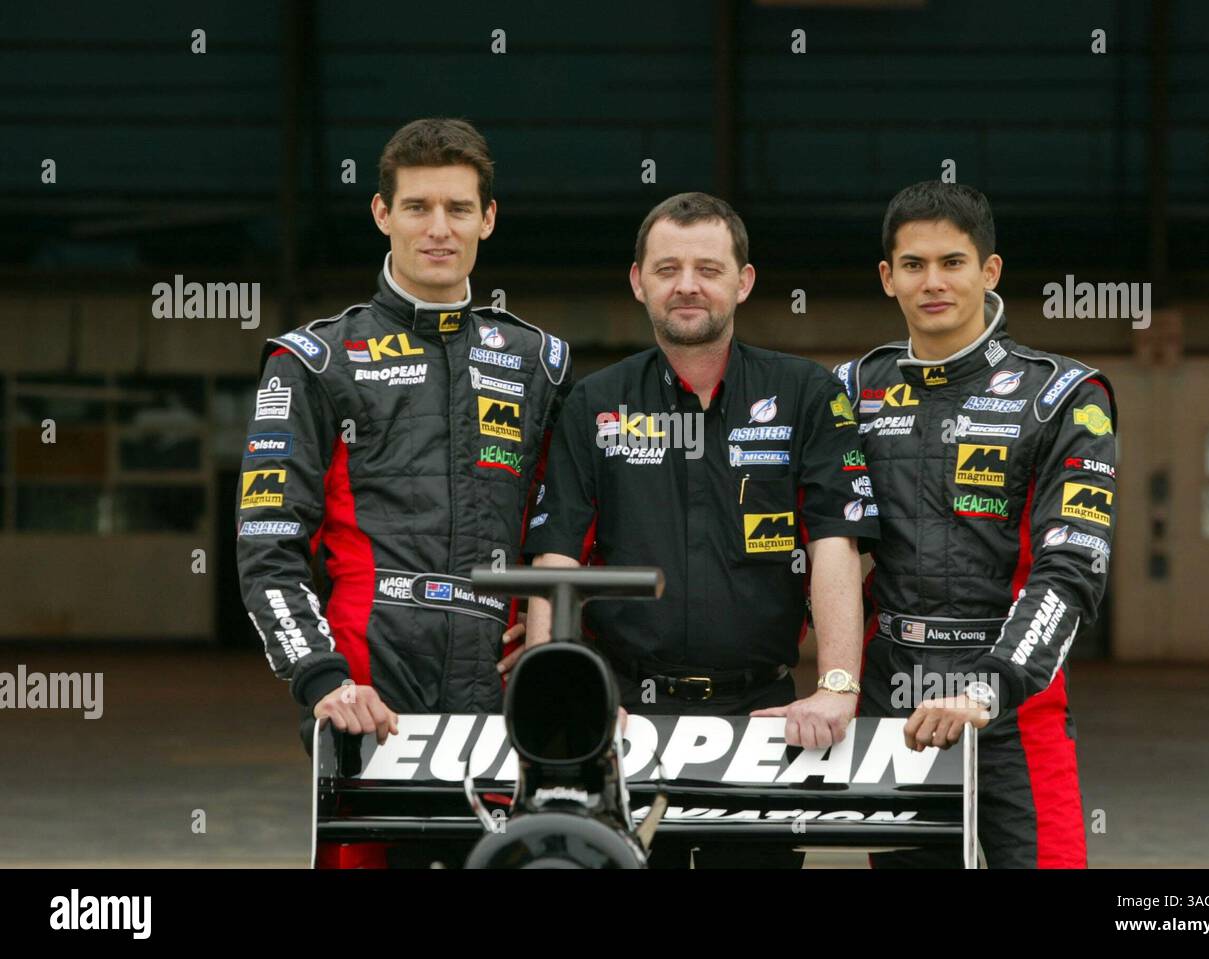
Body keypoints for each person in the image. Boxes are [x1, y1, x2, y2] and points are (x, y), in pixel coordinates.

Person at [521, 192, 879, 868]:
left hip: (765, 720)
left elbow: (836, 541)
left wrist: (836, 684)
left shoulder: (807, 393)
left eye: (709, 269)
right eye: (668, 269)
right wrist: (565, 694)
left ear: (743, 282)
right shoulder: (595, 404)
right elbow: (555, 556)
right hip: (624, 717)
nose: (688, 285)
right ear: (638, 281)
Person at [236, 118, 572, 765]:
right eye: (418, 206)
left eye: (459, 208)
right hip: (366, 694)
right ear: (382, 213)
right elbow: (268, 545)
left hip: (503, 694)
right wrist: (321, 678)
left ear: (489, 218)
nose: (439, 228)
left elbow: (568, 526)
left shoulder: (541, 364)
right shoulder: (314, 360)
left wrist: (554, 626)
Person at [837, 181, 1117, 868]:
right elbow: (819, 548)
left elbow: (1073, 569)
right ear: (888, 277)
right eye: (914, 264)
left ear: (989, 271)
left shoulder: (1064, 396)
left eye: (952, 262)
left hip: (1015, 704)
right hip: (895, 704)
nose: (933, 282)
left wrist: (990, 686)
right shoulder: (849, 391)